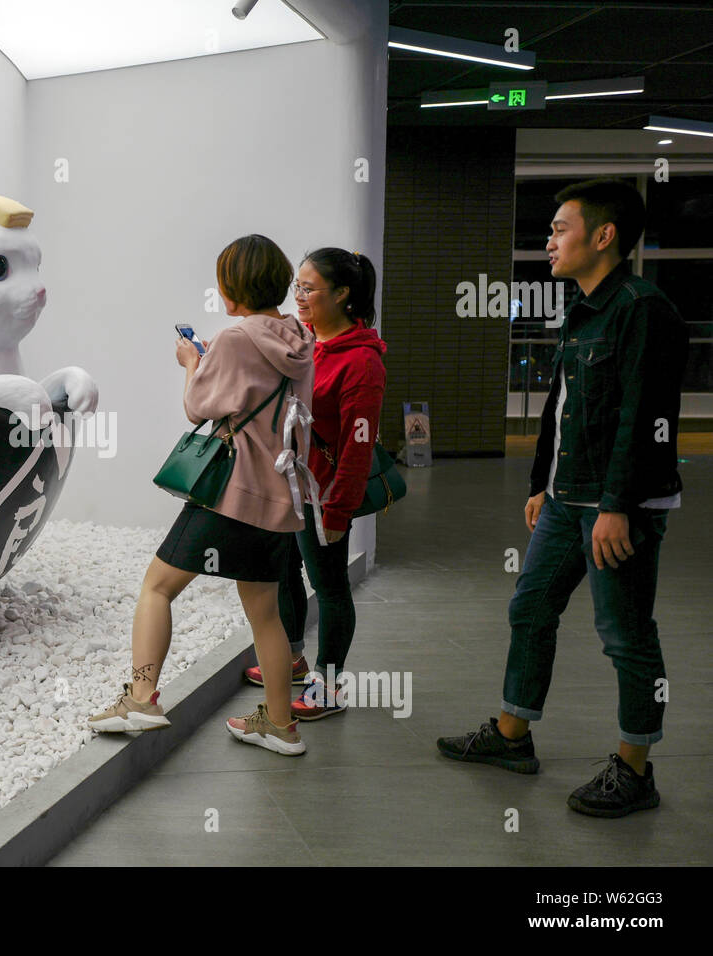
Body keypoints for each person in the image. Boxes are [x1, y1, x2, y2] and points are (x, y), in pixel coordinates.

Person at [437, 178, 688, 817]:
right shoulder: (582, 308)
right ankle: (512, 735)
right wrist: (539, 484)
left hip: (617, 505)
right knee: (530, 608)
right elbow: (563, 406)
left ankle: (636, 768)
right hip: (565, 497)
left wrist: (616, 506)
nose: (548, 241)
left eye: (559, 229)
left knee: (624, 634)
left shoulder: (642, 309)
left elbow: (643, 417)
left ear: (604, 237)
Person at [87, 234, 316, 755]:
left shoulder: (236, 340)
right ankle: (280, 725)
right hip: (279, 500)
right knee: (266, 614)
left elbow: (198, 408)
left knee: (157, 587)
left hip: (231, 494)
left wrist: (192, 361)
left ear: (233, 285)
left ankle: (142, 699)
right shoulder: (299, 339)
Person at [242, 249, 387, 720]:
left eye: (308, 289)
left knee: (329, 586)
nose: (298, 298)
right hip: (285, 485)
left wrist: (339, 510)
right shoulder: (307, 339)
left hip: (321, 494)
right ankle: (293, 658)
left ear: (343, 294)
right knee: (284, 573)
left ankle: (328, 687)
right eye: (296, 287)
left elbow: (357, 446)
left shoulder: (362, 362)